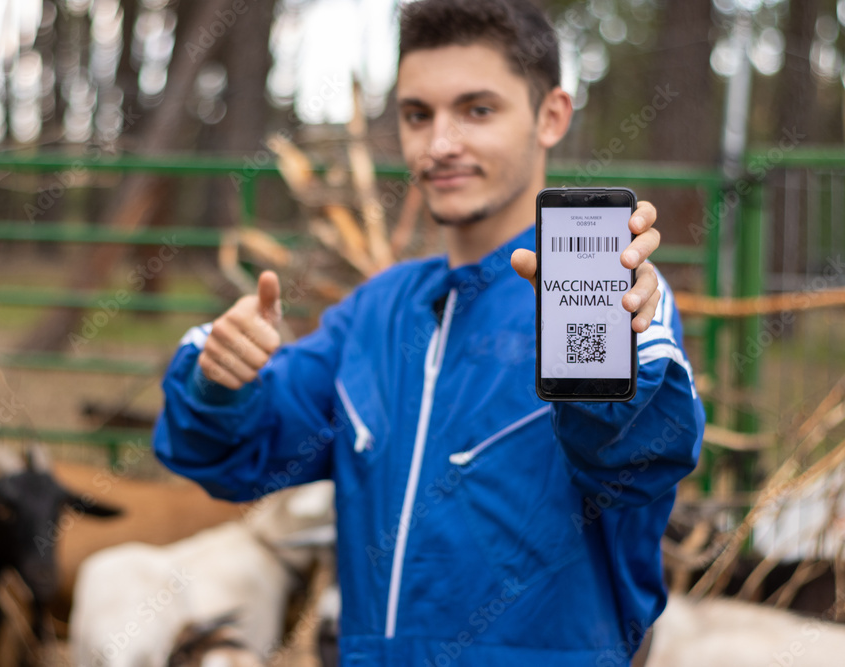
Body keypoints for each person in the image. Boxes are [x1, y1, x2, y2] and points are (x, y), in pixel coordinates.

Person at [153, 0, 704, 664]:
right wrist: (218, 379)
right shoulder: (376, 312)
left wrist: (613, 368)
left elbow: (634, 461)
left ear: (551, 115)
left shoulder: (616, 297)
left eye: (477, 110)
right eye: (418, 114)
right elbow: (240, 452)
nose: (440, 143)